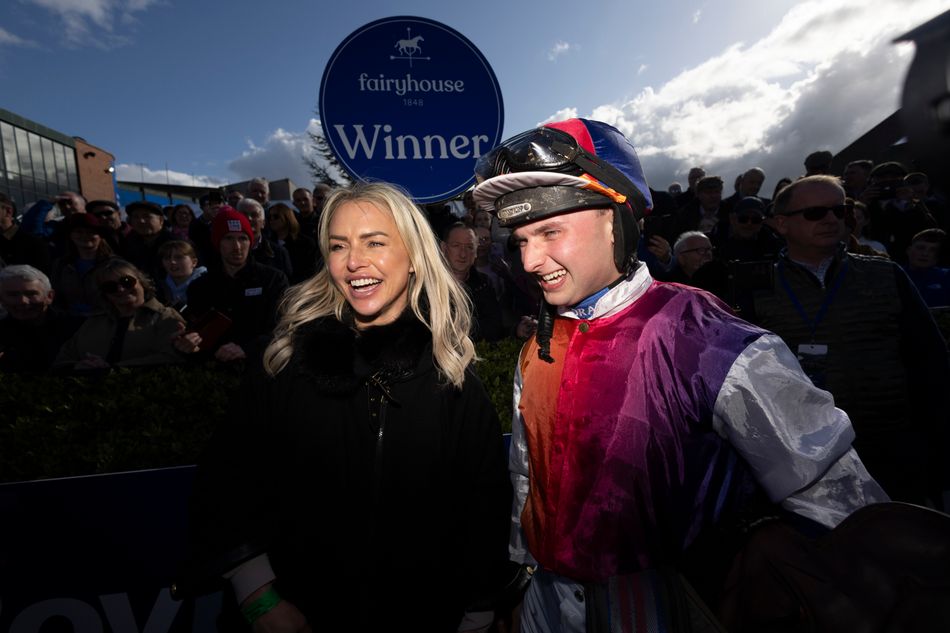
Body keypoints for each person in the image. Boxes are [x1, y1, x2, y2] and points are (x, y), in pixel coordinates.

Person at [472, 118, 888, 632]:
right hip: (547, 602)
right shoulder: (538, 343)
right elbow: (526, 473)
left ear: (618, 221)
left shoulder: (707, 338)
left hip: (662, 605)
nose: (531, 259)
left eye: (550, 231)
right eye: (520, 239)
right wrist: (521, 576)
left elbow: (836, 499)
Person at [178, 182, 511, 632]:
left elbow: (484, 507)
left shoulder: (451, 377)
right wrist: (258, 594)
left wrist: (476, 611)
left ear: (414, 257)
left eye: (374, 242)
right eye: (339, 246)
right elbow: (226, 482)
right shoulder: (284, 362)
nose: (354, 261)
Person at [751, 175, 949, 505]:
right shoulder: (755, 287)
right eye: (815, 212)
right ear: (781, 224)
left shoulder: (886, 274)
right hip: (804, 459)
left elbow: (932, 362)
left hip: (893, 448)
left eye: (839, 210)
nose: (831, 219)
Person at [178, 207, 289, 362]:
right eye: (228, 238)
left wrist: (247, 349)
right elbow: (196, 332)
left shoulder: (273, 279)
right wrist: (187, 341)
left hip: (262, 367)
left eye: (242, 238)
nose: (236, 247)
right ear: (217, 242)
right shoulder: (200, 287)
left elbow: (282, 328)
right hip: (215, 371)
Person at [54, 259, 185, 371]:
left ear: (141, 282)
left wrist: (113, 369)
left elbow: (172, 357)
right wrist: (79, 367)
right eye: (110, 287)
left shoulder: (166, 317)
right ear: (104, 293)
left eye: (127, 281)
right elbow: (63, 359)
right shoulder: (93, 322)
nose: (121, 289)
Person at [0, 265, 77, 372]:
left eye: (31, 294)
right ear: (1, 299)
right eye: (13, 295)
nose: (23, 301)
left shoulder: (77, 329)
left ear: (49, 296)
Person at [50, 213, 115, 318]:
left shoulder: (114, 265)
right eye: (79, 232)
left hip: (106, 322)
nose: (85, 236)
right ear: (71, 235)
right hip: (70, 323)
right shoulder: (61, 265)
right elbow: (56, 297)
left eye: (91, 232)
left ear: (100, 236)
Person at [266, 202, 318, 284]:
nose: (272, 220)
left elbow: (310, 271)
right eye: (269, 217)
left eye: (276, 216)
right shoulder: (267, 244)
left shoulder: (305, 243)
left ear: (287, 217)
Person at [157, 240, 207, 309]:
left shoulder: (208, 284)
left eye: (179, 257)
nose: (172, 262)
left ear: (194, 262)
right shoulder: (158, 288)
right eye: (167, 258)